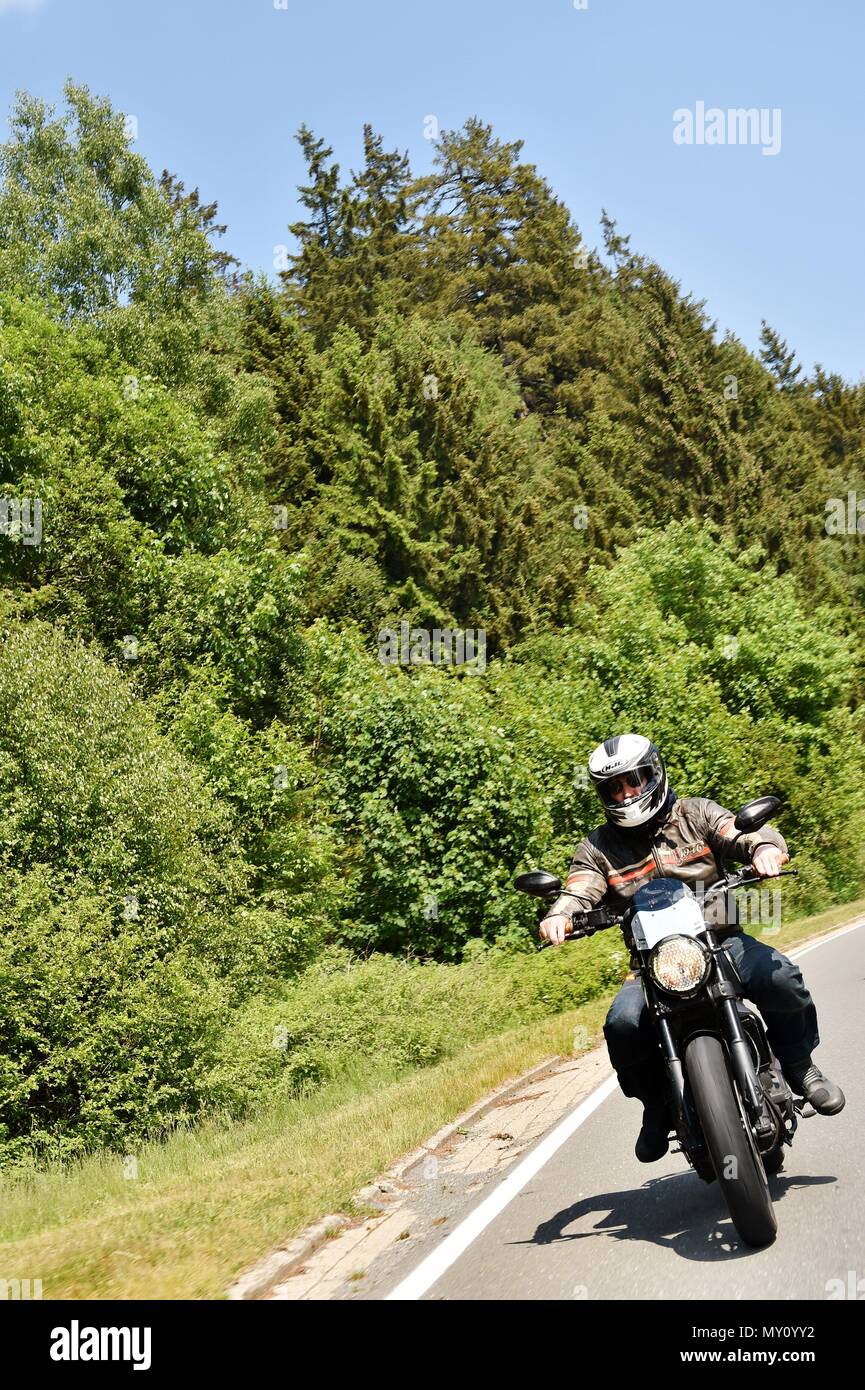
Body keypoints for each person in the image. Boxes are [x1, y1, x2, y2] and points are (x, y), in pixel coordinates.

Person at [541, 733, 845, 1162]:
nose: (626, 792)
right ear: (604, 794)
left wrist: (764, 849)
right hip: (652, 963)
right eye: (615, 787)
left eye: (634, 780)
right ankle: (657, 1108)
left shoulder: (695, 813)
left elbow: (738, 832)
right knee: (623, 1025)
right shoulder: (598, 848)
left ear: (654, 773)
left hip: (721, 942)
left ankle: (799, 1065)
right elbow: (580, 886)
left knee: (781, 977)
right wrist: (561, 914)